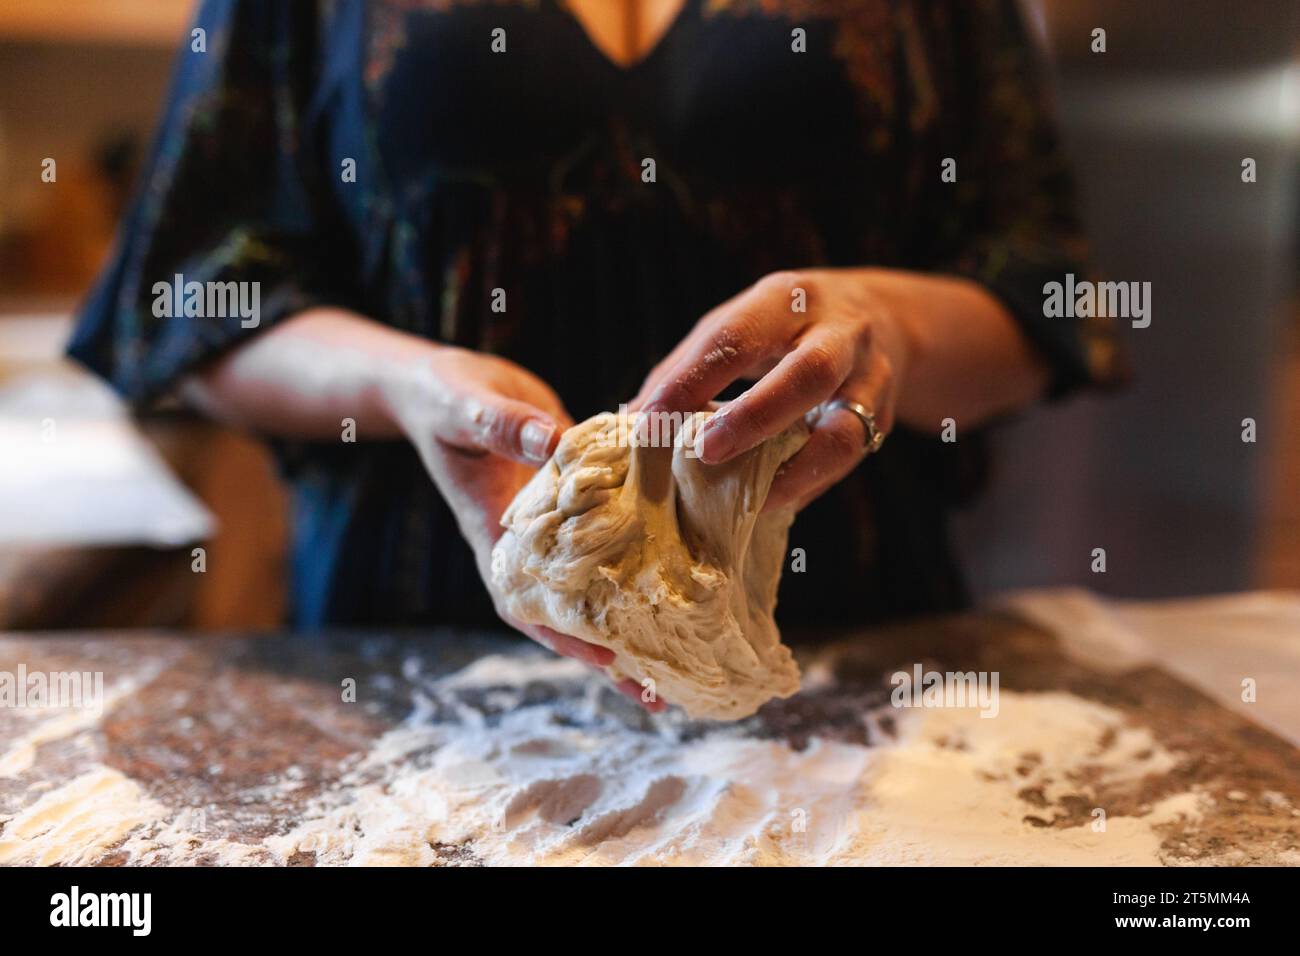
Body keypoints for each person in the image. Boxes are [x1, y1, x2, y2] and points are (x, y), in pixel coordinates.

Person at [69, 0, 1121, 708]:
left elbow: (1045, 303)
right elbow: (186, 298)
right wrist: (407, 382)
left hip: (852, 659)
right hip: (409, 663)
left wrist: (888, 322)